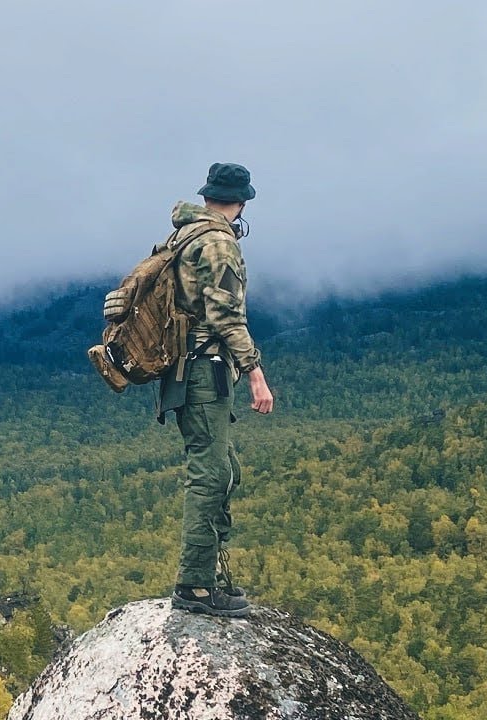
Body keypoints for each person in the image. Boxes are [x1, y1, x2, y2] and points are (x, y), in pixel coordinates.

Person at [158, 162, 275, 618]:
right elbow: (225, 315)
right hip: (204, 370)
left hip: (184, 371)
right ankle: (195, 586)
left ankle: (208, 575)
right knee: (209, 476)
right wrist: (255, 372)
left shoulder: (182, 234)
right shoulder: (218, 242)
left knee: (225, 469)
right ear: (240, 202)